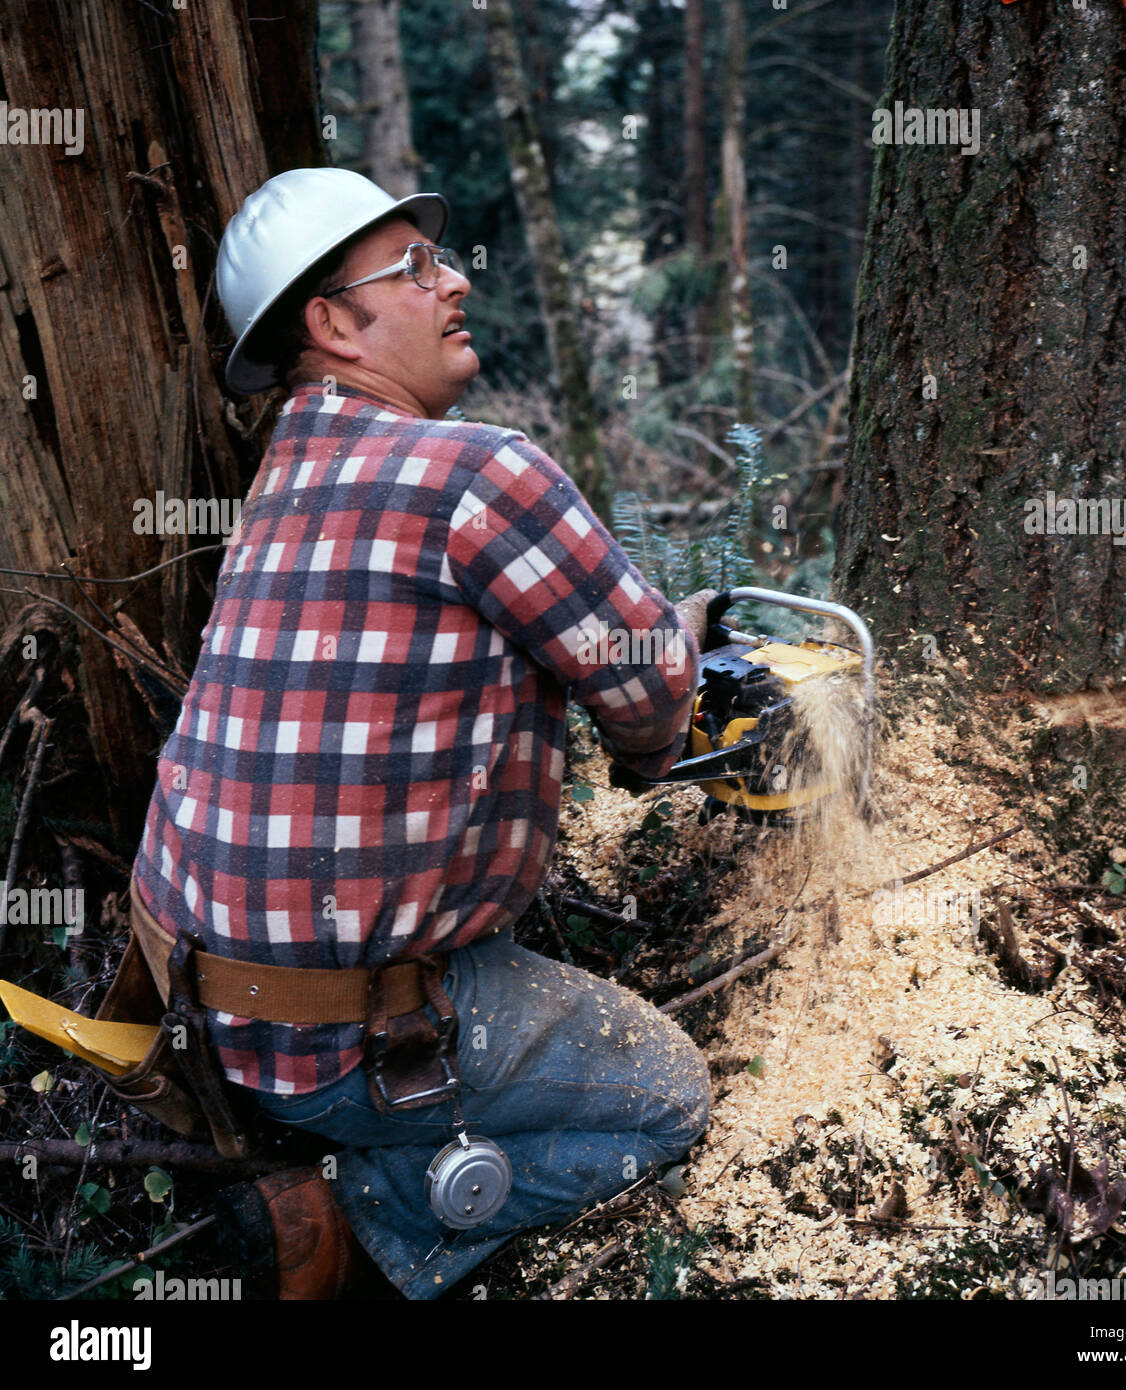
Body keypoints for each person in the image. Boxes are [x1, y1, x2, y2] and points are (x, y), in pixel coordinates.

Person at [128, 168, 715, 1299]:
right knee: (670, 1094)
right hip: (351, 1042)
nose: (453, 283)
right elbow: (648, 690)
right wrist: (651, 746)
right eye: (415, 269)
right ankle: (353, 1219)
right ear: (332, 322)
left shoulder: (278, 488)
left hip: (198, 1007)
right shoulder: (480, 472)